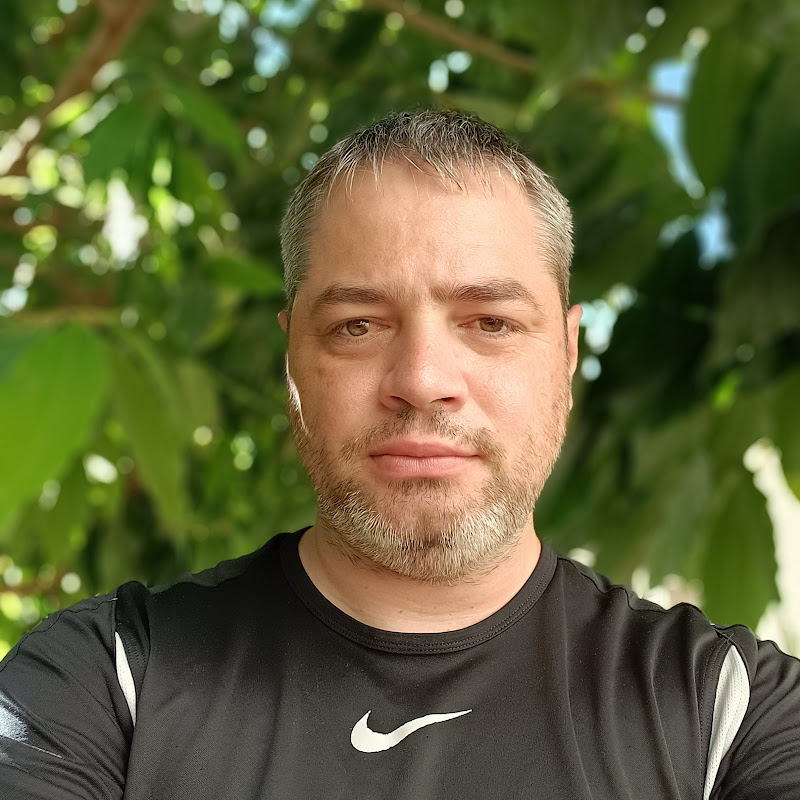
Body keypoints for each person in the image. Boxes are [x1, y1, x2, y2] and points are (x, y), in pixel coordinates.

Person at [0, 110, 797, 800]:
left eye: (490, 322)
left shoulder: (729, 713)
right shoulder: (106, 684)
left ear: (566, 353)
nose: (421, 380)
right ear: (291, 357)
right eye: (357, 325)